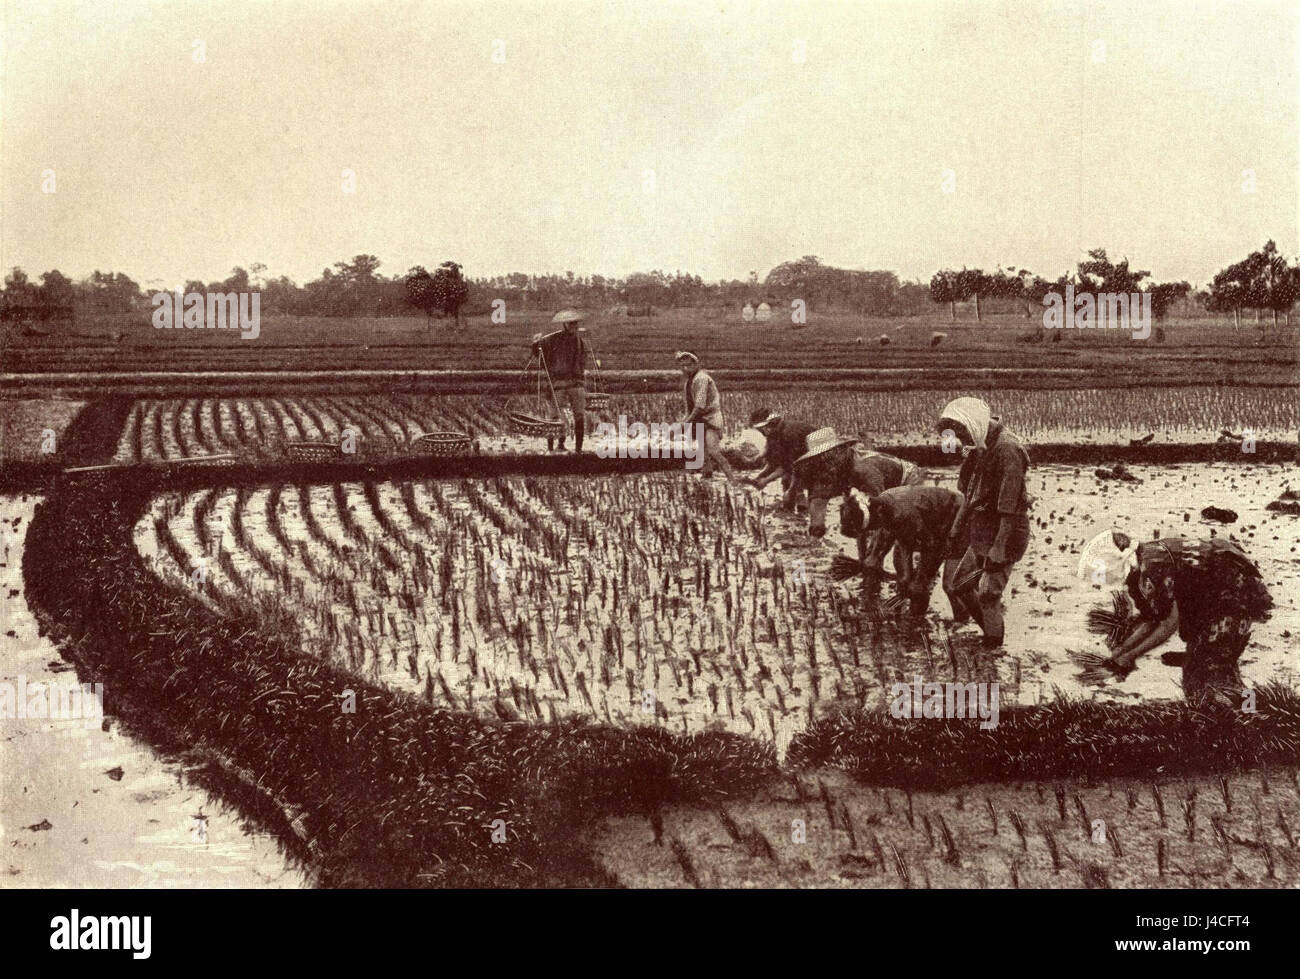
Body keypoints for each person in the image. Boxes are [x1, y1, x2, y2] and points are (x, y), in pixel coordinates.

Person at [1106, 537, 1273, 708]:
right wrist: (1122, 650)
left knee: (1214, 666)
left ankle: (1253, 711)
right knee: (1197, 668)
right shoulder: (1142, 567)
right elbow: (1153, 620)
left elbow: (1168, 624)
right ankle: (1220, 713)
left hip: (1234, 591)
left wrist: (1130, 655)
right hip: (1209, 595)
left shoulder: (1153, 566)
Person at [937, 397, 1031, 649]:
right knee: (960, 585)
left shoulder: (1007, 449)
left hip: (1005, 532)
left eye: (962, 432)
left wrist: (999, 546)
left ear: (974, 424)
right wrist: (957, 529)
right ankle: (988, 632)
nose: (961, 440)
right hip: (982, 529)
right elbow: (970, 493)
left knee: (989, 595)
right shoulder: (981, 445)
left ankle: (993, 646)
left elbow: (1011, 504)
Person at [791, 427, 926, 591]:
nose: (827, 463)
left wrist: (875, 553)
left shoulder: (864, 471)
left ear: (841, 450)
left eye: (830, 457)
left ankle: (912, 578)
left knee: (901, 538)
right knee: (860, 520)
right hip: (882, 485)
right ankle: (870, 569)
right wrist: (863, 559)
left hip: (907, 480)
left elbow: (884, 512)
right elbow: (858, 519)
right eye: (822, 459)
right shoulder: (838, 468)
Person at [531, 309, 591, 453]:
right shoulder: (552, 339)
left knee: (579, 415)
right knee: (555, 416)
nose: (574, 326)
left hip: (576, 384)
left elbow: (583, 361)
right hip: (558, 383)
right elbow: (540, 355)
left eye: (575, 324)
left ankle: (578, 449)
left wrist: (580, 375)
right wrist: (535, 344)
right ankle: (553, 447)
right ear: (564, 324)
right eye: (571, 324)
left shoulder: (580, 342)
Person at [676, 350, 735, 480]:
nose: (686, 369)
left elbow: (699, 407)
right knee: (703, 453)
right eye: (683, 366)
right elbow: (690, 406)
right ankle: (707, 477)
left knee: (714, 452)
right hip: (700, 420)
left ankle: (733, 481)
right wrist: (685, 420)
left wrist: (685, 423)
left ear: (697, 364)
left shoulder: (701, 379)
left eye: (689, 365)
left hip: (710, 419)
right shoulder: (689, 382)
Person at [745, 408, 818, 510]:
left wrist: (765, 481)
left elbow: (788, 466)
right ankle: (791, 506)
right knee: (787, 481)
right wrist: (760, 476)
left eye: (760, 429)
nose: (760, 431)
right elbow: (774, 462)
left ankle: (801, 506)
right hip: (803, 458)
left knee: (794, 482)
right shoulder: (773, 433)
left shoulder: (788, 434)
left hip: (817, 458)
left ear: (766, 426)